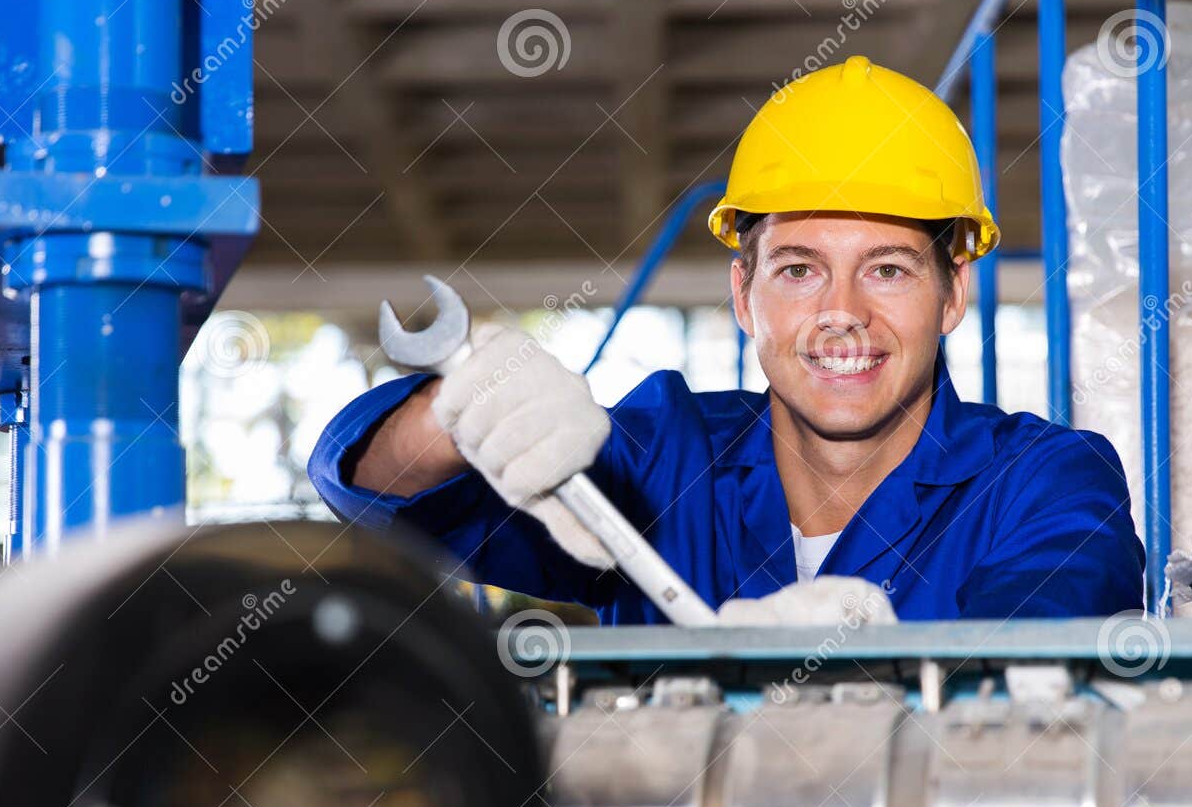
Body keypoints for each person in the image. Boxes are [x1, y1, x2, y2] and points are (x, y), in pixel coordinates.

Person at [309, 56, 1144, 625]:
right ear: (743, 293)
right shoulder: (664, 459)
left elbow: (1043, 653)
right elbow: (379, 499)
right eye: (798, 270)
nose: (841, 312)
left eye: (887, 269)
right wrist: (458, 418)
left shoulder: (1045, 481)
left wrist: (876, 671)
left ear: (953, 292)